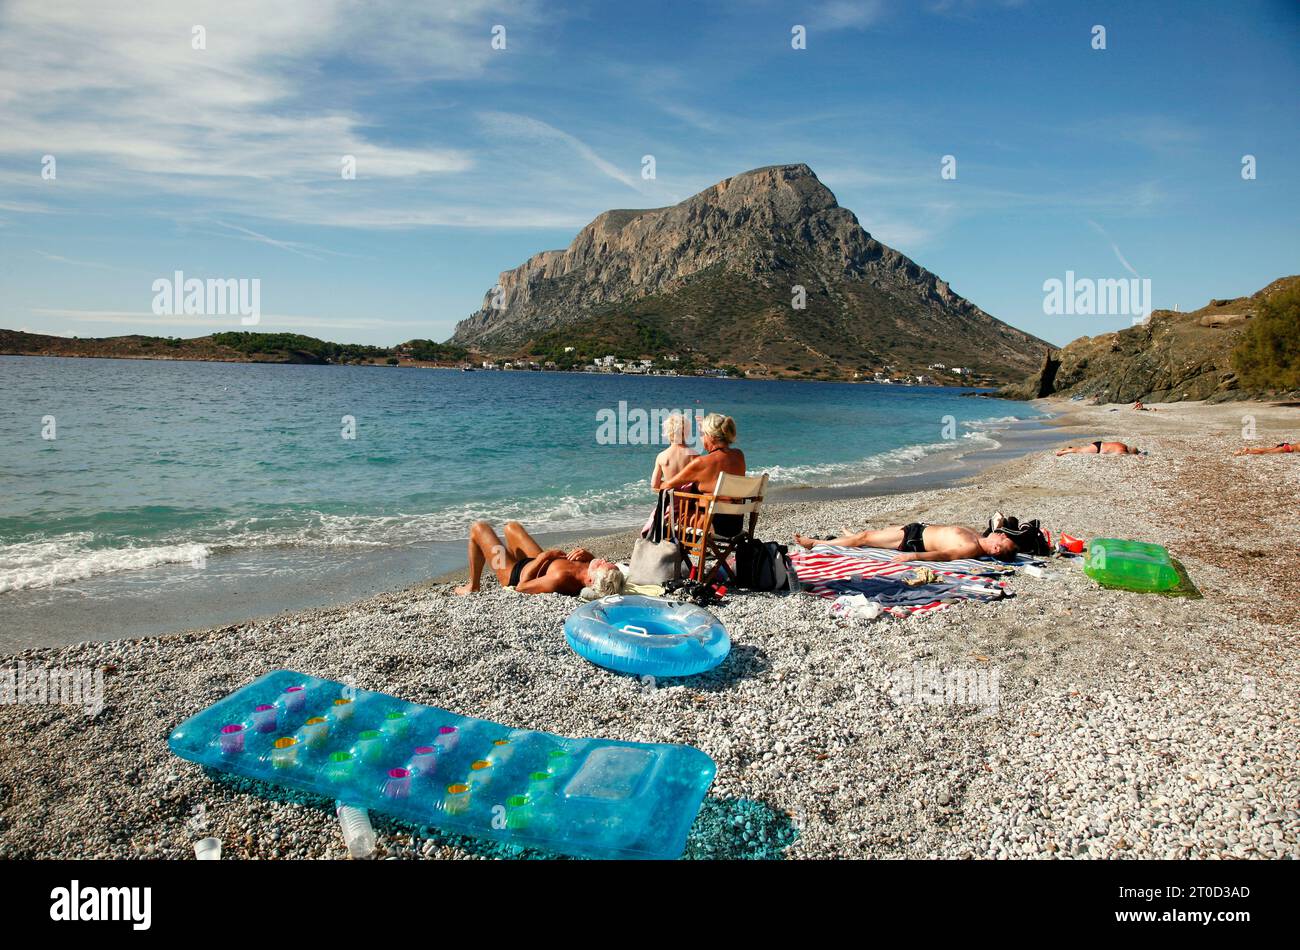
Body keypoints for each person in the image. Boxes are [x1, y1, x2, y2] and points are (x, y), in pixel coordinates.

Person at [454, 520, 624, 596]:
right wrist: (590, 556)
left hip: (514, 574)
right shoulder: (588, 570)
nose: (602, 560)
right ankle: (509, 557)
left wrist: (542, 558)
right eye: (606, 562)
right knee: (512, 527)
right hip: (537, 563)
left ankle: (473, 586)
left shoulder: (560, 578)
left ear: (590, 580)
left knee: (479, 528)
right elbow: (596, 571)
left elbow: (521, 587)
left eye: (601, 565)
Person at [659, 413, 747, 535]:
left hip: (713, 525)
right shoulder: (739, 455)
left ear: (711, 437)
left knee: (674, 516)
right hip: (736, 524)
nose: (702, 439)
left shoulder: (702, 463)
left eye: (703, 434)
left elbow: (667, 485)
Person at [794, 522, 1019, 562]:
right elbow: (996, 527)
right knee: (868, 535)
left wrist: (913, 556)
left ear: (996, 548)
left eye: (1003, 538)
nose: (1002, 534)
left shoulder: (971, 547)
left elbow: (944, 555)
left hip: (912, 540)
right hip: (916, 529)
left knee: (864, 538)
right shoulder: (979, 538)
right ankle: (848, 537)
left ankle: (816, 543)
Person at [650, 413, 698, 490]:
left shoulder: (661, 456)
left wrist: (666, 484)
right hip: (688, 497)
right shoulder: (694, 455)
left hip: (670, 497)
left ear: (668, 433)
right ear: (687, 432)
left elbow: (654, 485)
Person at [1055, 441, 1143, 455]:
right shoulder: (1122, 450)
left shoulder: (1122, 445)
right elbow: (1118, 454)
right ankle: (1063, 452)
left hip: (1100, 444)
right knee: (1080, 451)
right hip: (1098, 448)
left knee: (1082, 449)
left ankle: (1067, 449)